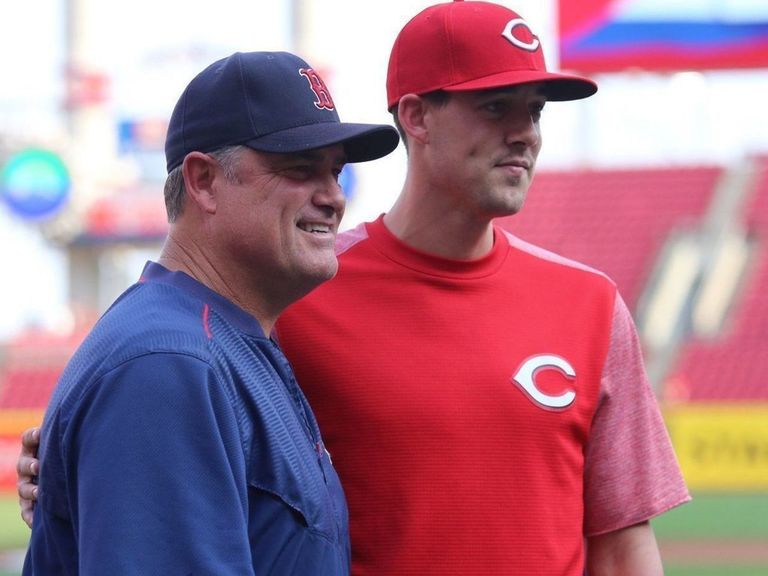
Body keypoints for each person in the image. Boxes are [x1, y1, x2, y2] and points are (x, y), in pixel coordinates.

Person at [18, 2, 691, 575]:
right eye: (495, 107)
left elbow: (623, 543)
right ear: (416, 117)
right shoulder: (285, 297)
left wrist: (86, 464)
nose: (524, 133)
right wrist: (88, 460)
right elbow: (156, 398)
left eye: (535, 112)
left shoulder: (590, 304)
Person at [19, 50, 399, 575]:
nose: (334, 197)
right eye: (301, 168)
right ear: (203, 181)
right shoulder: (168, 363)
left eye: (335, 172)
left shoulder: (223, 342)